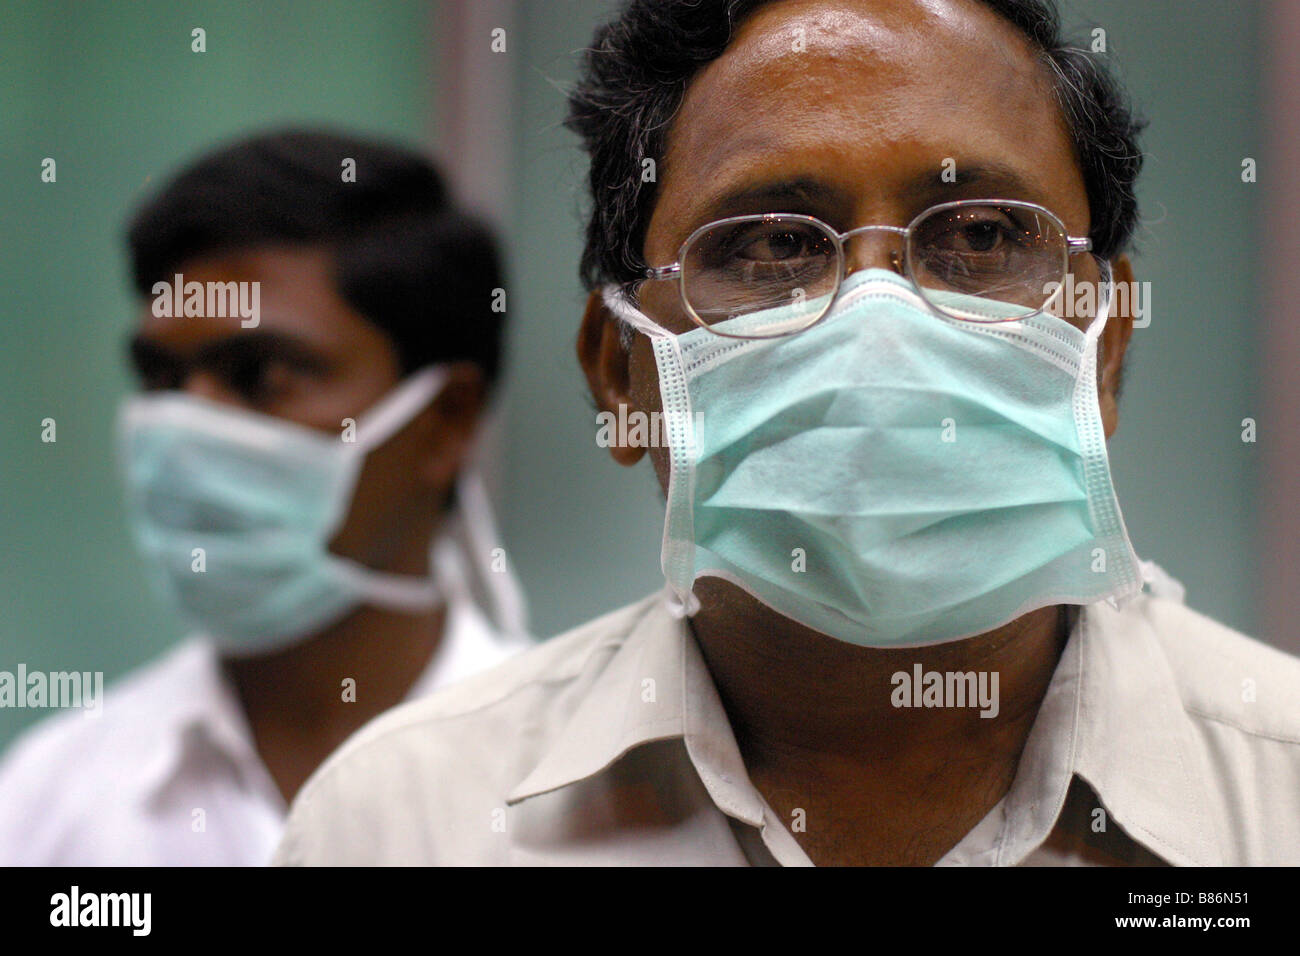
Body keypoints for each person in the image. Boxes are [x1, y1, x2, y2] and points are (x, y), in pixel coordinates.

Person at [274, 0, 1300, 866]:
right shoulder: (401, 824)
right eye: (769, 246)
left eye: (981, 235)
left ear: (1105, 345)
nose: (879, 323)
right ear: (618, 372)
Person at [0, 128, 530, 866]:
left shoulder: (578, 790)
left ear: (447, 421)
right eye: (160, 379)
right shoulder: (49, 803)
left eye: (261, 376)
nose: (184, 428)